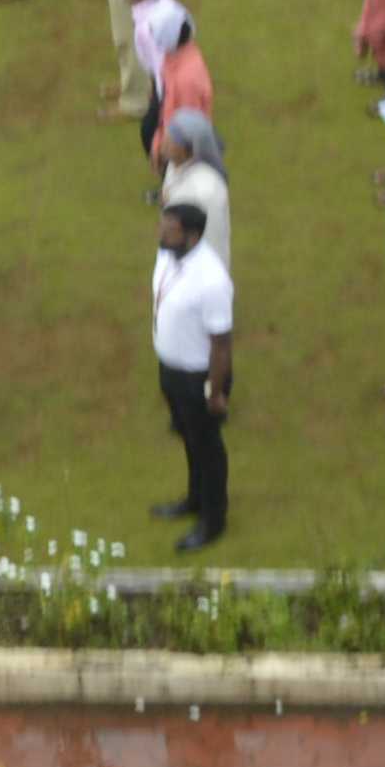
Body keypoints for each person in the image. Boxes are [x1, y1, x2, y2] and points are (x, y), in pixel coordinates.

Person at [149, 191, 237, 553]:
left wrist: (215, 392)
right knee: (188, 439)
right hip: (170, 368)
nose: (161, 233)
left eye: (169, 229)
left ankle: (213, 520)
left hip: (197, 375)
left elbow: (221, 343)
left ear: (192, 236)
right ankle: (194, 499)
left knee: (208, 447)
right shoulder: (169, 255)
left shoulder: (212, 279)